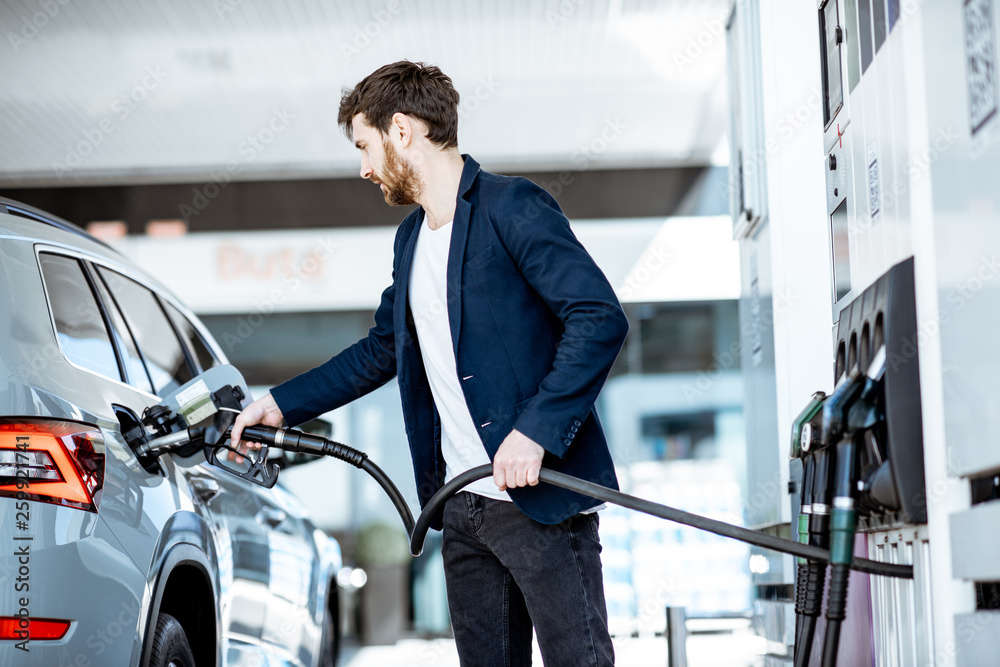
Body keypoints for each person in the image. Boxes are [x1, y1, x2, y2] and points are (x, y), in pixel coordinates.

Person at [231, 60, 628, 666]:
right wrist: (280, 404)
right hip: (463, 505)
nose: (364, 168)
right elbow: (382, 349)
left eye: (364, 146)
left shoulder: (512, 206)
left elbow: (598, 317)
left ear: (401, 129)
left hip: (538, 498)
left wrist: (536, 433)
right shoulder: (411, 239)